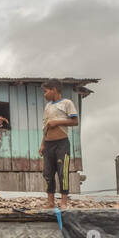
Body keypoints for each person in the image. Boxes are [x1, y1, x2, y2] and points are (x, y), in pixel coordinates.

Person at [40, 80, 79, 208]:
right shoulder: (47, 106)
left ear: (54, 90)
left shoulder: (67, 103)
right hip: (48, 144)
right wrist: (42, 144)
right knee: (48, 173)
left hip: (62, 144)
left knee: (63, 172)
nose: (44, 94)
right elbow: (45, 127)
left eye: (46, 91)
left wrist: (57, 122)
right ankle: (50, 201)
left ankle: (63, 202)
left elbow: (75, 121)